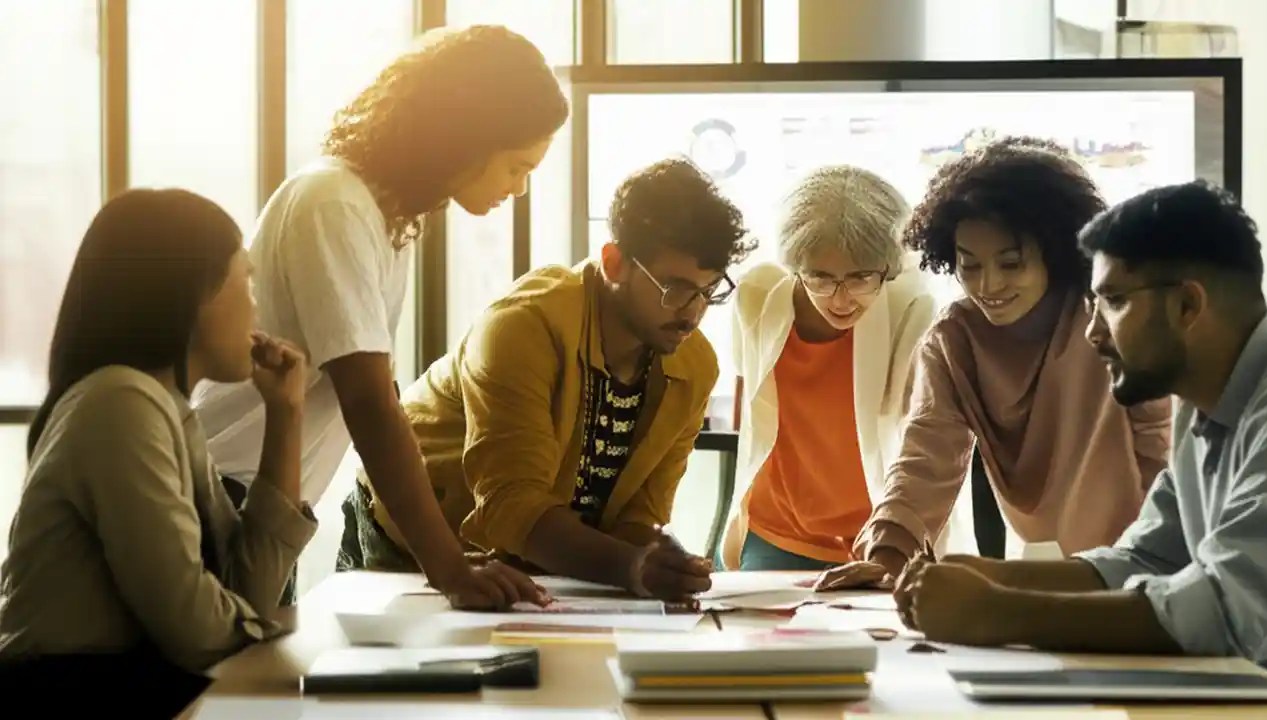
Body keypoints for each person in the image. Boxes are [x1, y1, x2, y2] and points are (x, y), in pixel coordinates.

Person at [191, 25, 568, 609]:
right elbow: (369, 403)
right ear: (466, 137)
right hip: (222, 496)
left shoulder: (386, 218)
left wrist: (449, 559)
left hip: (268, 500)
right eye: (516, 166)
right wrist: (447, 566)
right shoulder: (335, 203)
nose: (518, 190)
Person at [898, 181, 1267, 671]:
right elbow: (1149, 559)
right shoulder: (1205, 400)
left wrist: (998, 611)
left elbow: (1227, 610)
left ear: (1188, 305)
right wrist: (992, 576)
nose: (1093, 332)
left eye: (1113, 301)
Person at [337, 158, 755, 602]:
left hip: (538, 558)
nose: (692, 312)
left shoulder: (694, 366)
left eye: (709, 291)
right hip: (415, 546)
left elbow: (639, 515)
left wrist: (659, 556)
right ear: (614, 264)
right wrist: (631, 567)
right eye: (675, 289)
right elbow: (511, 506)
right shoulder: (522, 327)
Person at [0, 189, 312, 713]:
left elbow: (247, 594)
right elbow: (196, 631)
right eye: (247, 281)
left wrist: (286, 416)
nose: (257, 306)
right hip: (66, 696)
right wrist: (260, 629)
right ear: (193, 293)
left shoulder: (162, 406)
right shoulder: (119, 403)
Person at [815, 137, 1171, 591]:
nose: (988, 285)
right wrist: (886, 559)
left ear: (1054, 251)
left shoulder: (1111, 321)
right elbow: (925, 460)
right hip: (1047, 574)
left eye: (1010, 263)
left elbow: (1163, 457)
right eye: (970, 265)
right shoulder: (954, 340)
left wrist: (1160, 563)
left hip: (1146, 568)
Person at [717, 165, 971, 573]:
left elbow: (928, 434)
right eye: (819, 276)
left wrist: (895, 543)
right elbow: (749, 408)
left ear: (889, 267)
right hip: (773, 532)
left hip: (878, 537)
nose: (840, 299)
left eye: (860, 278)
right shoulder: (757, 295)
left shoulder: (914, 309)